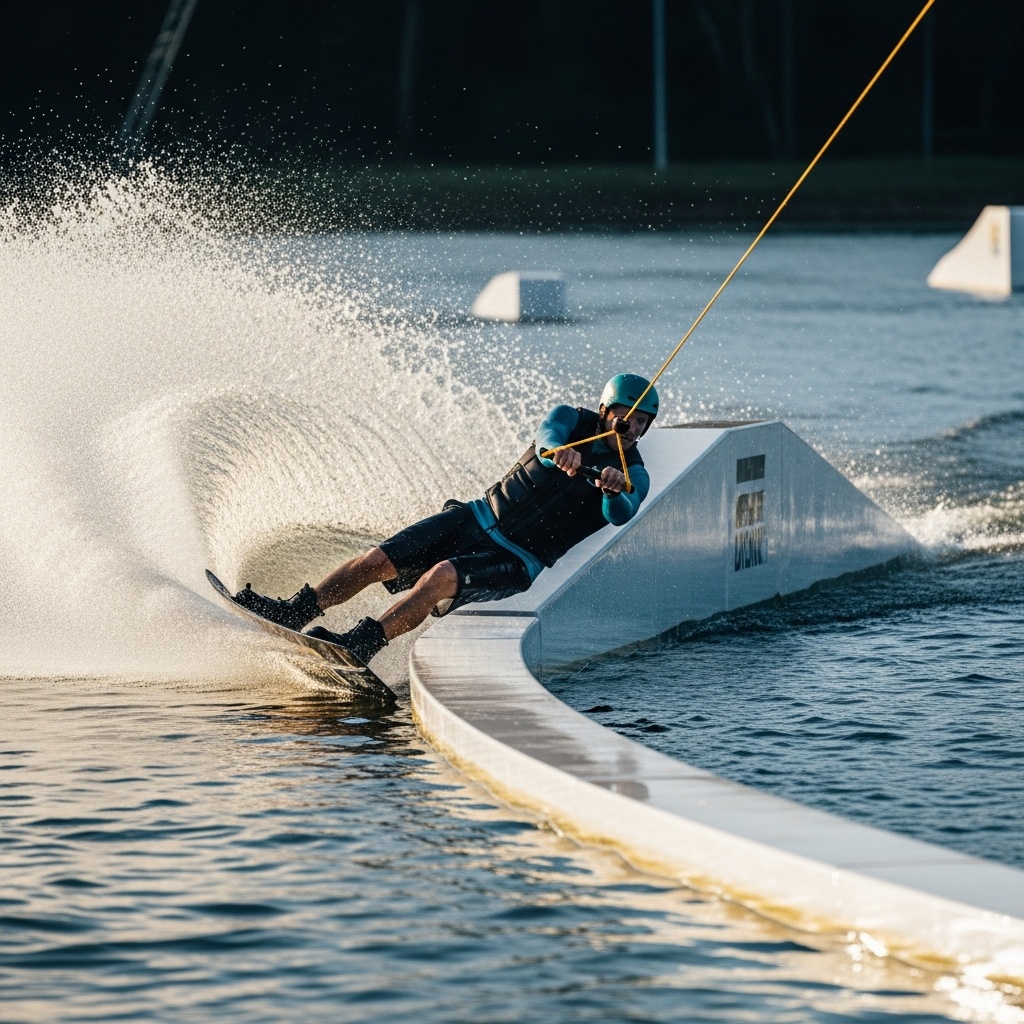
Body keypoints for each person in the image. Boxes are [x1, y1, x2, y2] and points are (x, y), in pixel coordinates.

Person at [233, 374, 658, 664]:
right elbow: (548, 438)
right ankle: (296, 609)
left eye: (643, 422)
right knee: (376, 560)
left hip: (516, 558)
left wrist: (612, 489)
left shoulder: (631, 471)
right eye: (628, 415)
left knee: (439, 576)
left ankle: (360, 645)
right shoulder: (569, 419)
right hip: (476, 516)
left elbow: (622, 513)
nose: (633, 427)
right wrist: (558, 454)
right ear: (606, 408)